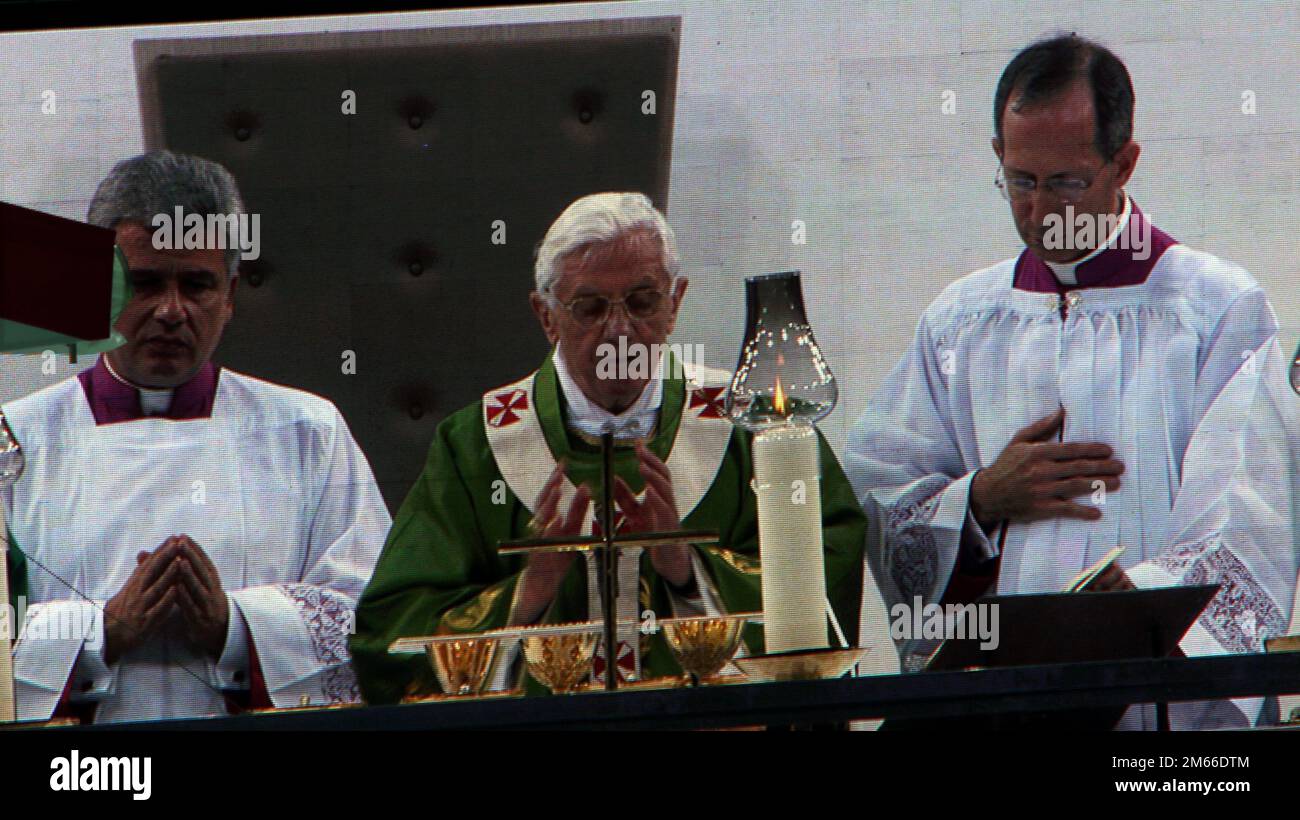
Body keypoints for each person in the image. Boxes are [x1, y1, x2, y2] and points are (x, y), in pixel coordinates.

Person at [844, 35, 1282, 728]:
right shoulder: (963, 321)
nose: (1042, 209)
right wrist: (981, 501)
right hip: (1007, 710)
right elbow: (880, 492)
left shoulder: (1214, 308)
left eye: (1067, 183)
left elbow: (1251, 511)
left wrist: (1139, 599)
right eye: (1021, 180)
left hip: (1160, 713)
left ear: (1124, 163)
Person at [350, 192, 893, 702]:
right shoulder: (475, 446)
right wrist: (531, 588)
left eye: (641, 301)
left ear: (676, 302)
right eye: (589, 307)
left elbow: (823, 588)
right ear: (546, 316)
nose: (619, 331)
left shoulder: (754, 427)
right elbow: (391, 634)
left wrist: (685, 567)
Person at [1, 150, 391, 723]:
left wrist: (236, 630)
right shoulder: (15, 437)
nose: (170, 310)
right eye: (145, 283)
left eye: (197, 284)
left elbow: (375, 616)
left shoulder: (308, 431)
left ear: (230, 295)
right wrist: (98, 633)